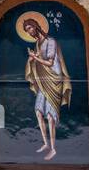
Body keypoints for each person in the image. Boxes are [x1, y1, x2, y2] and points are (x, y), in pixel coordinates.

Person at [23, 17, 71, 161]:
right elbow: (38, 62)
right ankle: (45, 143)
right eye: (27, 30)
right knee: (38, 112)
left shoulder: (51, 41)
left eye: (30, 28)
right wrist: (31, 59)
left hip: (54, 80)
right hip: (44, 82)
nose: (29, 32)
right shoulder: (38, 43)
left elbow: (50, 63)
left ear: (36, 26)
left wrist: (35, 58)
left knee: (50, 116)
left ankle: (54, 149)